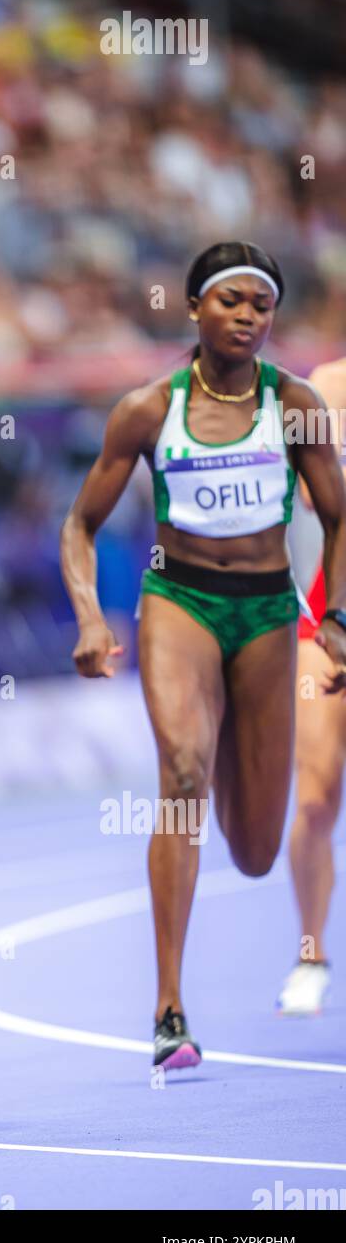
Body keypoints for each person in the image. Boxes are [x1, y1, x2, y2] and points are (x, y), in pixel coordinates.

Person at [59, 241, 346, 1069]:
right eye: (231, 302)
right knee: (180, 773)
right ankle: (169, 1009)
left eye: (261, 304)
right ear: (194, 310)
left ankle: (225, 758)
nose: (248, 316)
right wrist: (87, 617)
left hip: (263, 617)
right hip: (178, 603)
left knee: (255, 850)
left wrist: (336, 618)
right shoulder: (148, 409)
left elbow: (339, 518)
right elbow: (78, 524)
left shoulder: (293, 406)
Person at [278, 357, 346, 1014]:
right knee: (316, 797)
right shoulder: (322, 388)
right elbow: (306, 494)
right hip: (326, 617)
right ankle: (310, 950)